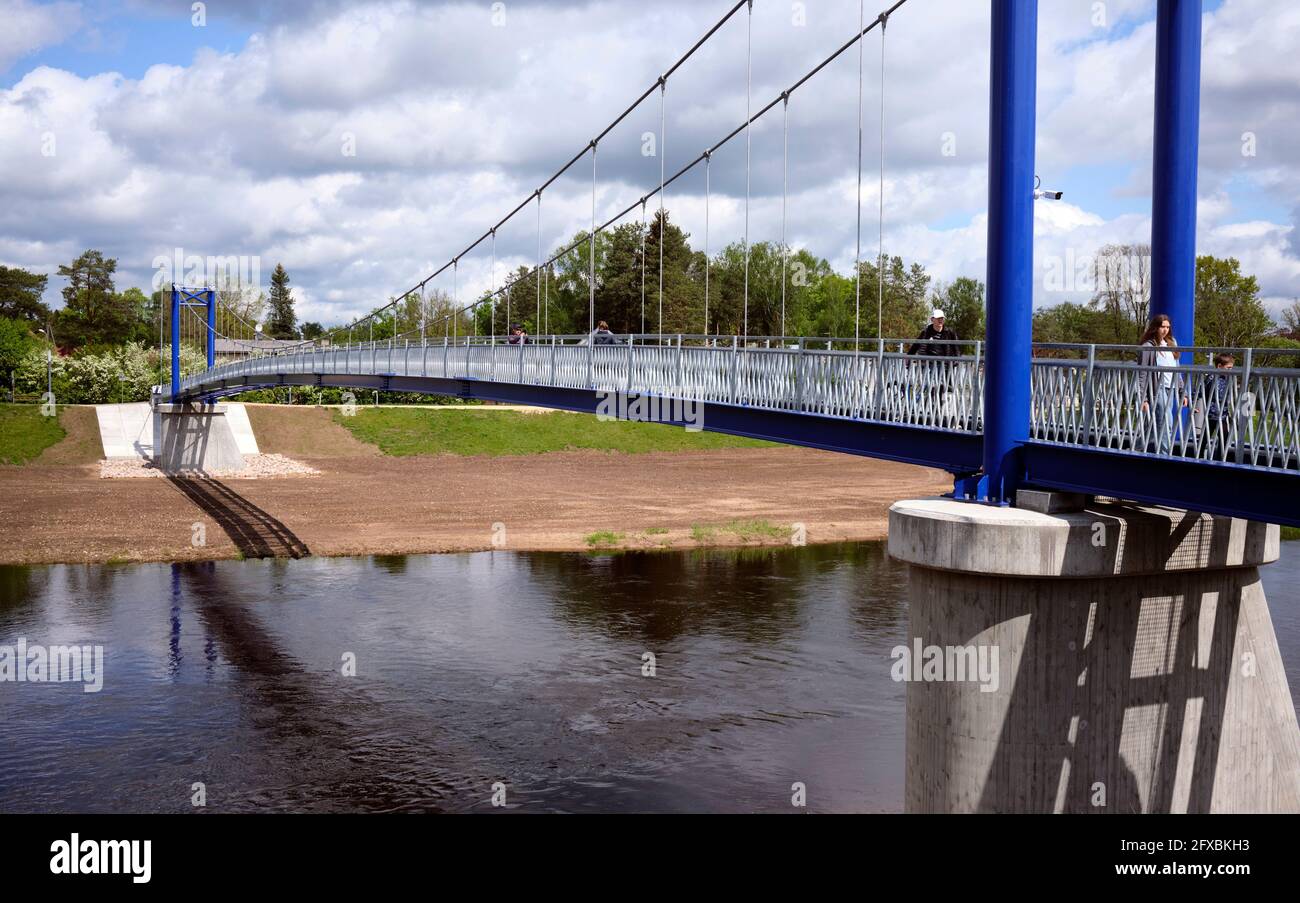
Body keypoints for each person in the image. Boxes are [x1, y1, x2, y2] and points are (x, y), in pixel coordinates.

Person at [1136, 313, 1188, 455]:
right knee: (1166, 422)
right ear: (1155, 328)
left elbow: (1177, 369)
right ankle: (1165, 455)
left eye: (1167, 327)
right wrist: (1143, 398)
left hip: (1170, 389)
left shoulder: (1172, 344)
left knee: (1154, 422)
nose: (1165, 330)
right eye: (1162, 327)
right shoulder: (1148, 346)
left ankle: (1137, 448)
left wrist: (1183, 391)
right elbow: (1142, 374)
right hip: (1156, 389)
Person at [1194, 352, 1235, 458]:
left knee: (1224, 438)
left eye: (1232, 368)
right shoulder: (1211, 378)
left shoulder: (1227, 378)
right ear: (1219, 366)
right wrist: (1192, 403)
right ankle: (1198, 457)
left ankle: (1220, 459)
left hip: (1223, 414)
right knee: (1205, 438)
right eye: (1228, 368)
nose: (1231, 371)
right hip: (1212, 414)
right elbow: (1199, 391)